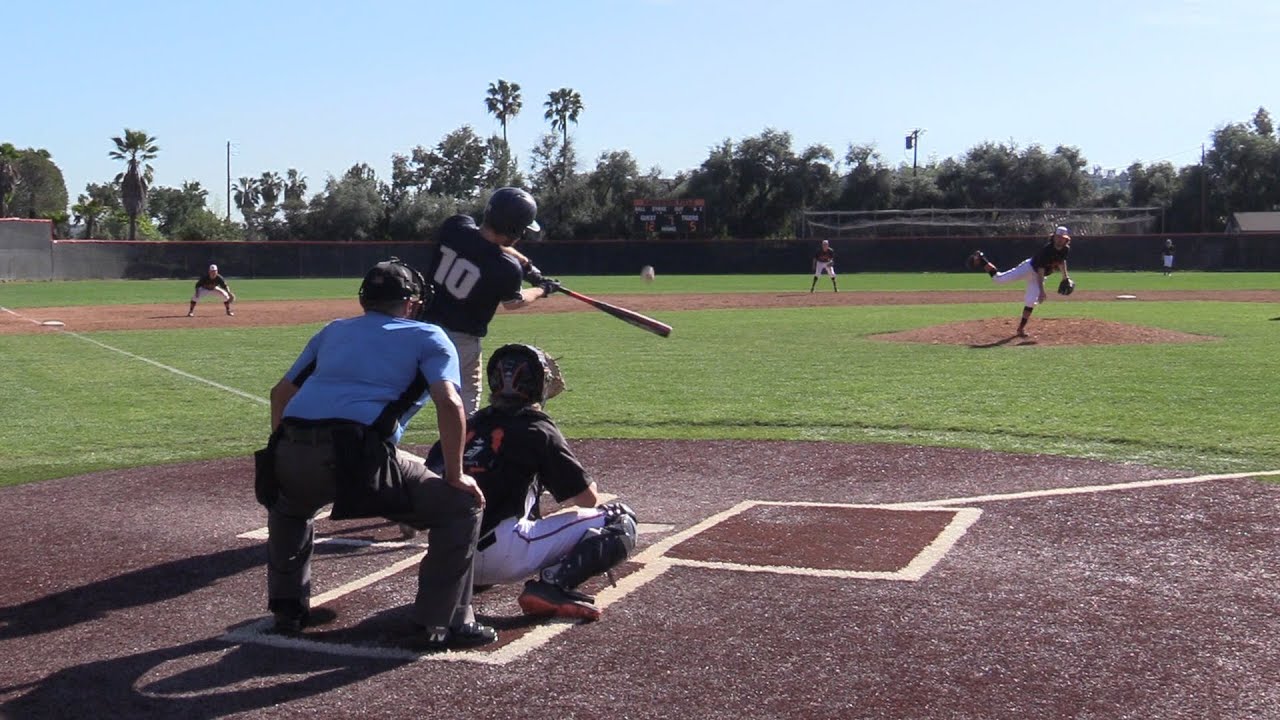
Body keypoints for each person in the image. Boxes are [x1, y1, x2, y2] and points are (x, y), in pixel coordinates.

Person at [257, 259, 496, 651]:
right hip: (358, 454)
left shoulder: (334, 330)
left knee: (289, 508)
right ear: (411, 303)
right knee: (460, 507)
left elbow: (280, 395)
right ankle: (441, 623)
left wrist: (285, 452)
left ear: (364, 299)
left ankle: (288, 611)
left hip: (289, 446)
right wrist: (455, 474)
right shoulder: (428, 335)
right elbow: (451, 404)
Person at [425, 343, 638, 622]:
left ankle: (470, 581)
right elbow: (587, 499)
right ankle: (552, 585)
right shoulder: (537, 428)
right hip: (504, 554)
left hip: (449, 557)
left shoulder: (465, 424)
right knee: (619, 519)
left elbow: (427, 479)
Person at [421, 187, 560, 417]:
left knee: (410, 393)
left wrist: (526, 265)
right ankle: (463, 450)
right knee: (465, 410)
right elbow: (514, 302)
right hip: (461, 341)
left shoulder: (455, 226)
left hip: (421, 327)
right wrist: (542, 289)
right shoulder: (506, 268)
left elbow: (483, 242)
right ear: (515, 231)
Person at [967, 226, 1073, 338]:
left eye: (1063, 238)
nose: (1060, 239)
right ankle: (981, 258)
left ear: (1066, 239)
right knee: (999, 279)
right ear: (1054, 237)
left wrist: (1065, 277)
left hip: (1038, 275)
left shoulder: (1065, 249)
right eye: (1058, 237)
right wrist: (1042, 291)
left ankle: (1020, 329)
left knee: (1031, 301)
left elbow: (1061, 261)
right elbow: (1040, 270)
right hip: (1029, 268)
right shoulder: (1047, 250)